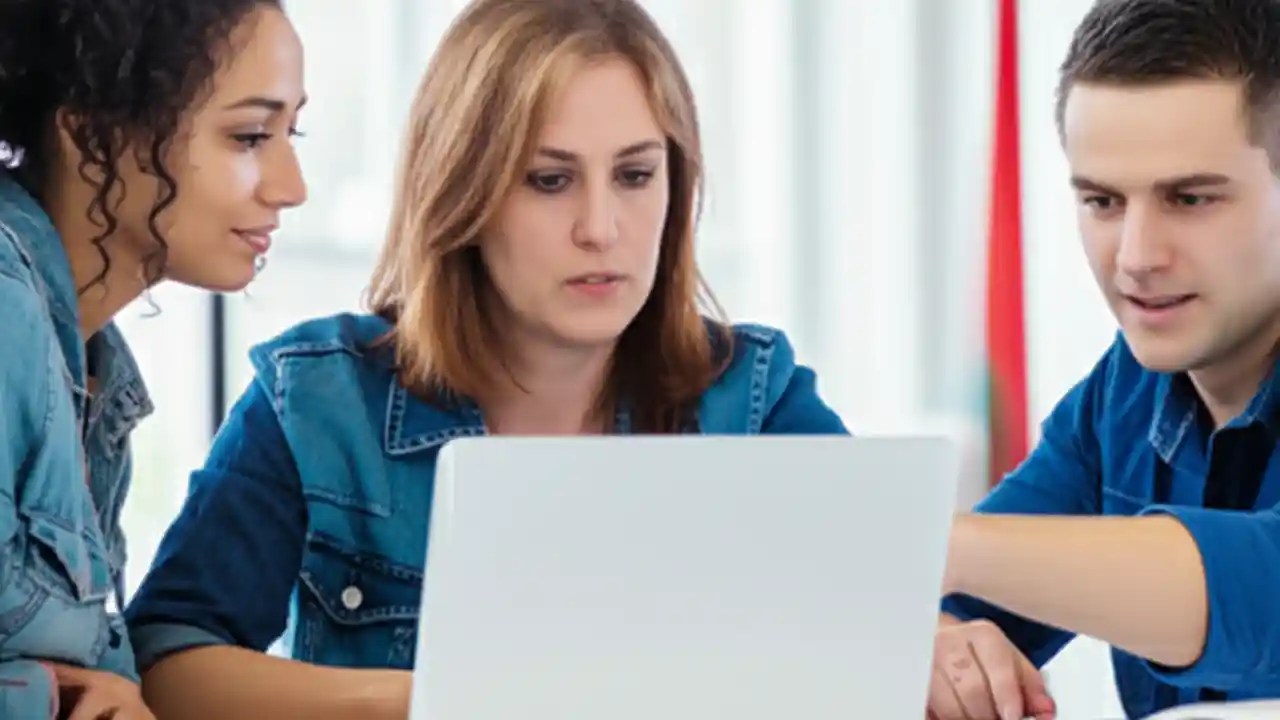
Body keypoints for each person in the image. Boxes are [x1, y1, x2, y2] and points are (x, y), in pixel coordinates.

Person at [122, 0, 848, 717]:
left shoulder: (751, 393)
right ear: (462, 192)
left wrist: (933, 633)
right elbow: (168, 663)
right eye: (549, 180)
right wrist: (422, 703)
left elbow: (892, 571)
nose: (601, 229)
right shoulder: (320, 397)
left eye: (634, 176)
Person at [927, 1, 1280, 719]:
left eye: (1189, 198)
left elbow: (1262, 586)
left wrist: (922, 541)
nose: (1137, 258)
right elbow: (956, 602)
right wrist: (938, 636)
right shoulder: (1123, 391)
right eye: (1102, 201)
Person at [0, 0, 307, 717]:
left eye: (292, 132)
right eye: (250, 136)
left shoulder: (93, 370)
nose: (292, 187)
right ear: (94, 134)